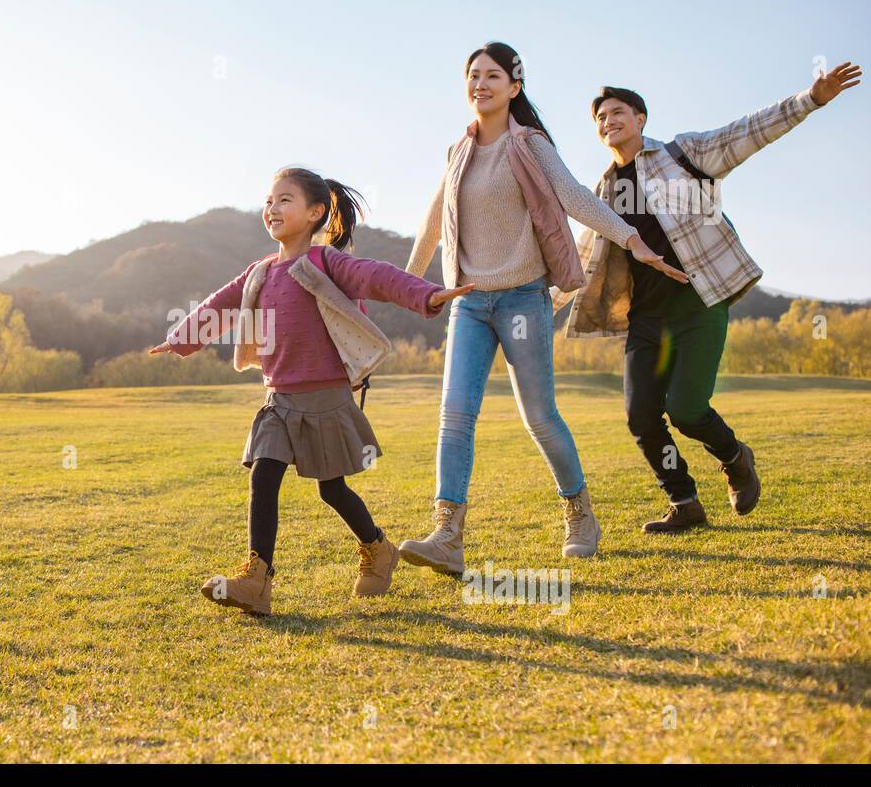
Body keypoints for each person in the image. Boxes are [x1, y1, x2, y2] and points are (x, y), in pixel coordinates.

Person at [402, 42, 686, 574]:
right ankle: (448, 535)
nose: (480, 84)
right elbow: (433, 219)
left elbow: (576, 197)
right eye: (472, 76)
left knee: (539, 417)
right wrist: (407, 285)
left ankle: (580, 514)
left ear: (514, 87)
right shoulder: (457, 151)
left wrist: (632, 240)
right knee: (455, 417)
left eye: (492, 76)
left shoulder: (529, 145)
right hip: (468, 303)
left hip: (522, 299)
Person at [150, 167, 471, 615]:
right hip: (278, 398)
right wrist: (183, 338)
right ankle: (257, 580)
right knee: (264, 473)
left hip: (326, 398)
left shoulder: (326, 263)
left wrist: (428, 295)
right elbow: (218, 304)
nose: (272, 208)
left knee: (332, 489)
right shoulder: (259, 272)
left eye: (285, 200)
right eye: (269, 200)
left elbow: (376, 277)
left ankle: (378, 549)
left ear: (315, 212)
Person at [575, 61, 861, 532]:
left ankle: (735, 458)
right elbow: (580, 262)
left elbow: (744, 132)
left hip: (698, 304)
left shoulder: (681, 154)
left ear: (640, 118)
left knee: (687, 409)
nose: (609, 121)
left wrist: (809, 100)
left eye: (618, 111)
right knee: (640, 415)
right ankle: (684, 504)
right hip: (646, 319)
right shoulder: (603, 190)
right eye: (601, 118)